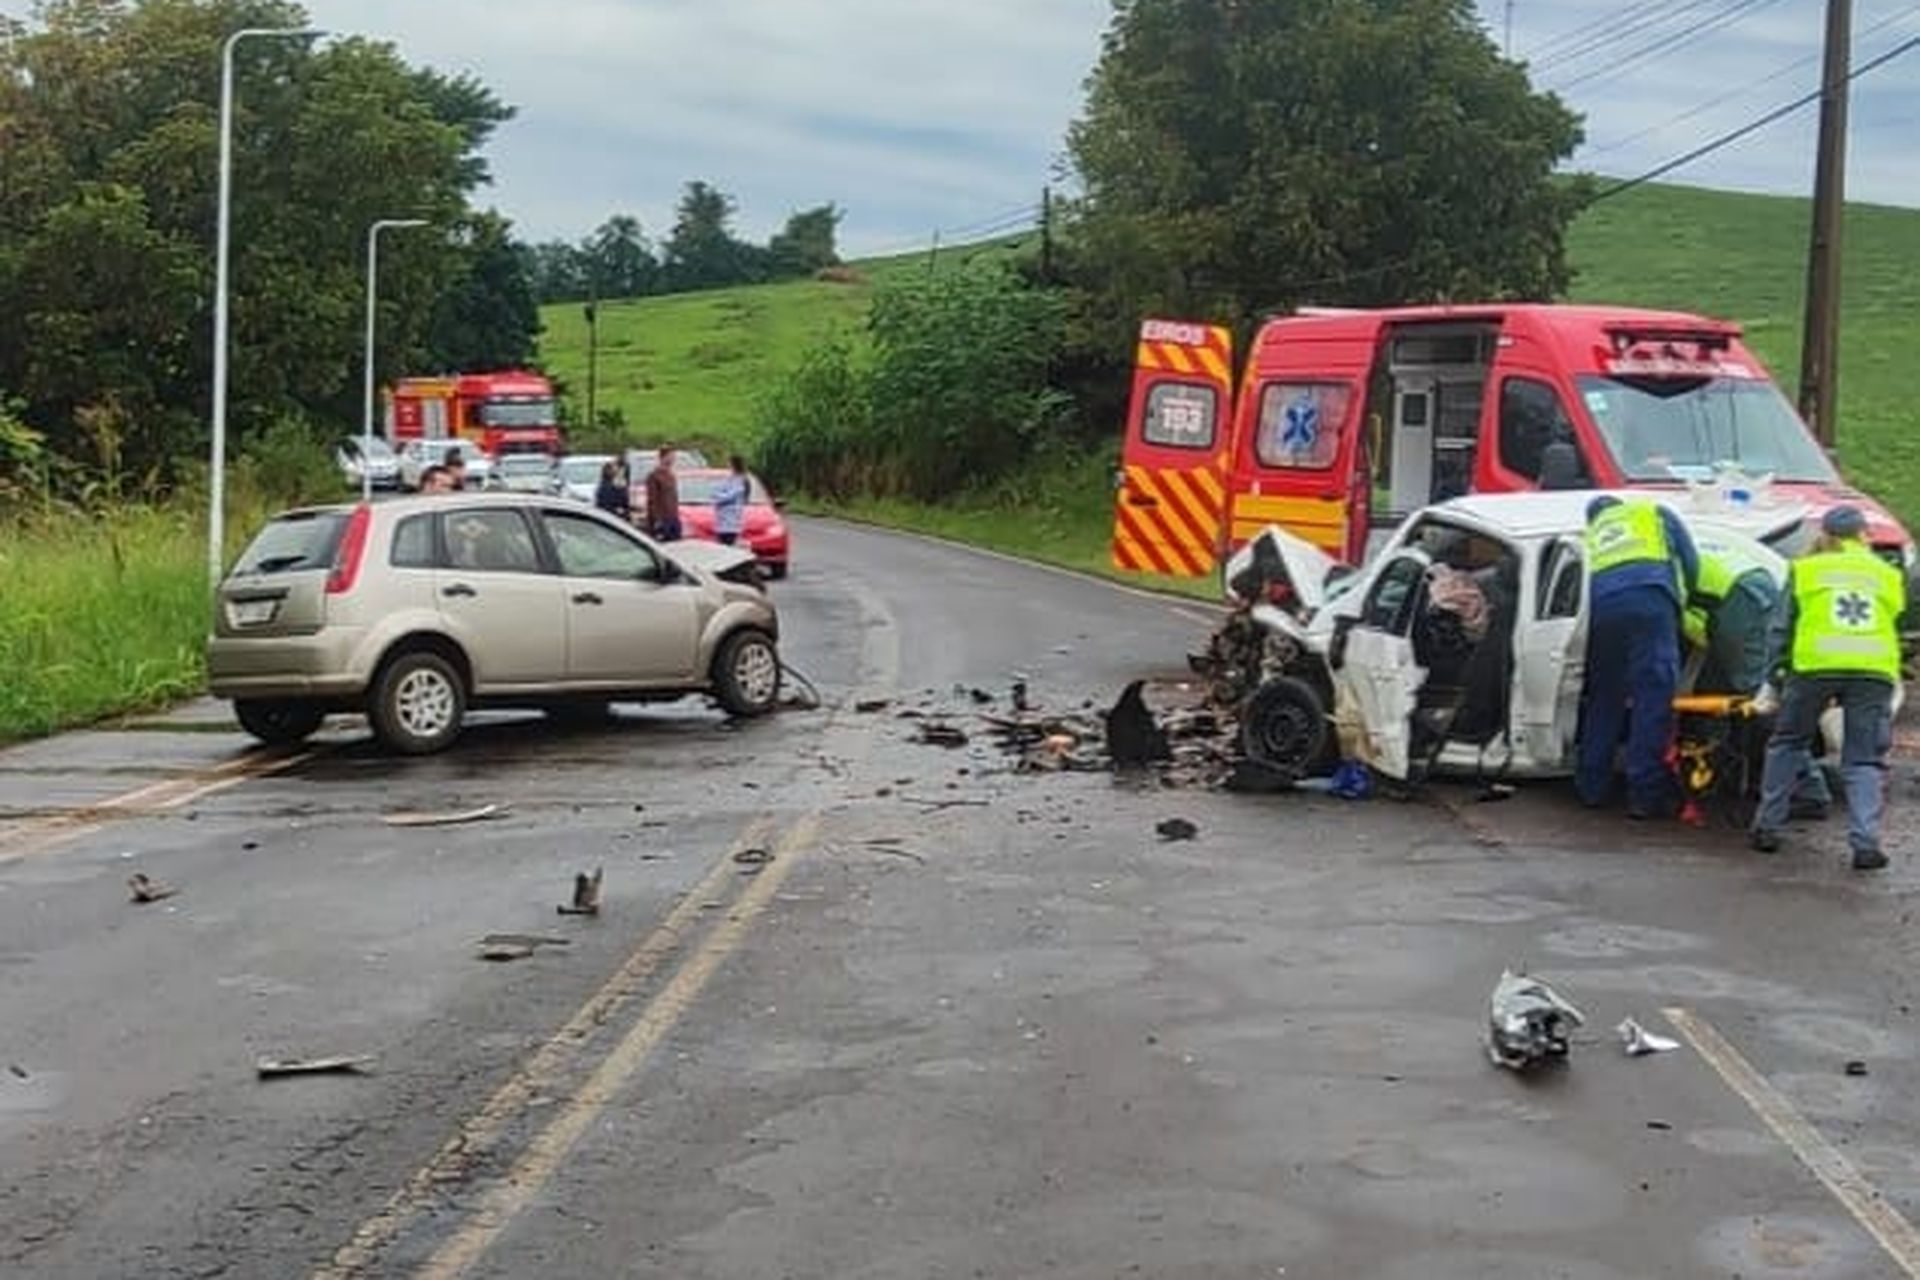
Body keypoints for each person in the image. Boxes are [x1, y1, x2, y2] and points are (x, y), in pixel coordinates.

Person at [1749, 506, 1905, 870]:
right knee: (1863, 758)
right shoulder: (1886, 574)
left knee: (1788, 742)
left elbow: (1780, 628)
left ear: (1826, 535)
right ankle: (1866, 843)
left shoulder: (1805, 569)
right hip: (1873, 669)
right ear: (1863, 534)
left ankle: (1767, 826)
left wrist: (1772, 678)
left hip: (1813, 666)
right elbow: (1890, 619)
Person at [1578, 494, 1699, 818]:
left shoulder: (1590, 534)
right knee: (1652, 698)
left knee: (1606, 696)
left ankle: (1592, 788)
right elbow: (1691, 560)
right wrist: (1690, 599)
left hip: (1601, 609)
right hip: (1650, 598)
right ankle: (1644, 797)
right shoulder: (1653, 513)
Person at [645, 445, 681, 541]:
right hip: (662, 520)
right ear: (664, 457)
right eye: (671, 456)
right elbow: (652, 500)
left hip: (673, 518)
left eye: (674, 456)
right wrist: (657, 520)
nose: (673, 459)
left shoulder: (671, 475)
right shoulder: (654, 476)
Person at [713, 454, 750, 547]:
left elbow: (730, 495)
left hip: (732, 521)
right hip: (722, 520)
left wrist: (719, 497)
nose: (727, 465)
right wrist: (718, 496)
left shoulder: (742, 480)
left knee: (729, 545)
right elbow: (718, 491)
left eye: (729, 463)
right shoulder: (729, 478)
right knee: (722, 545)